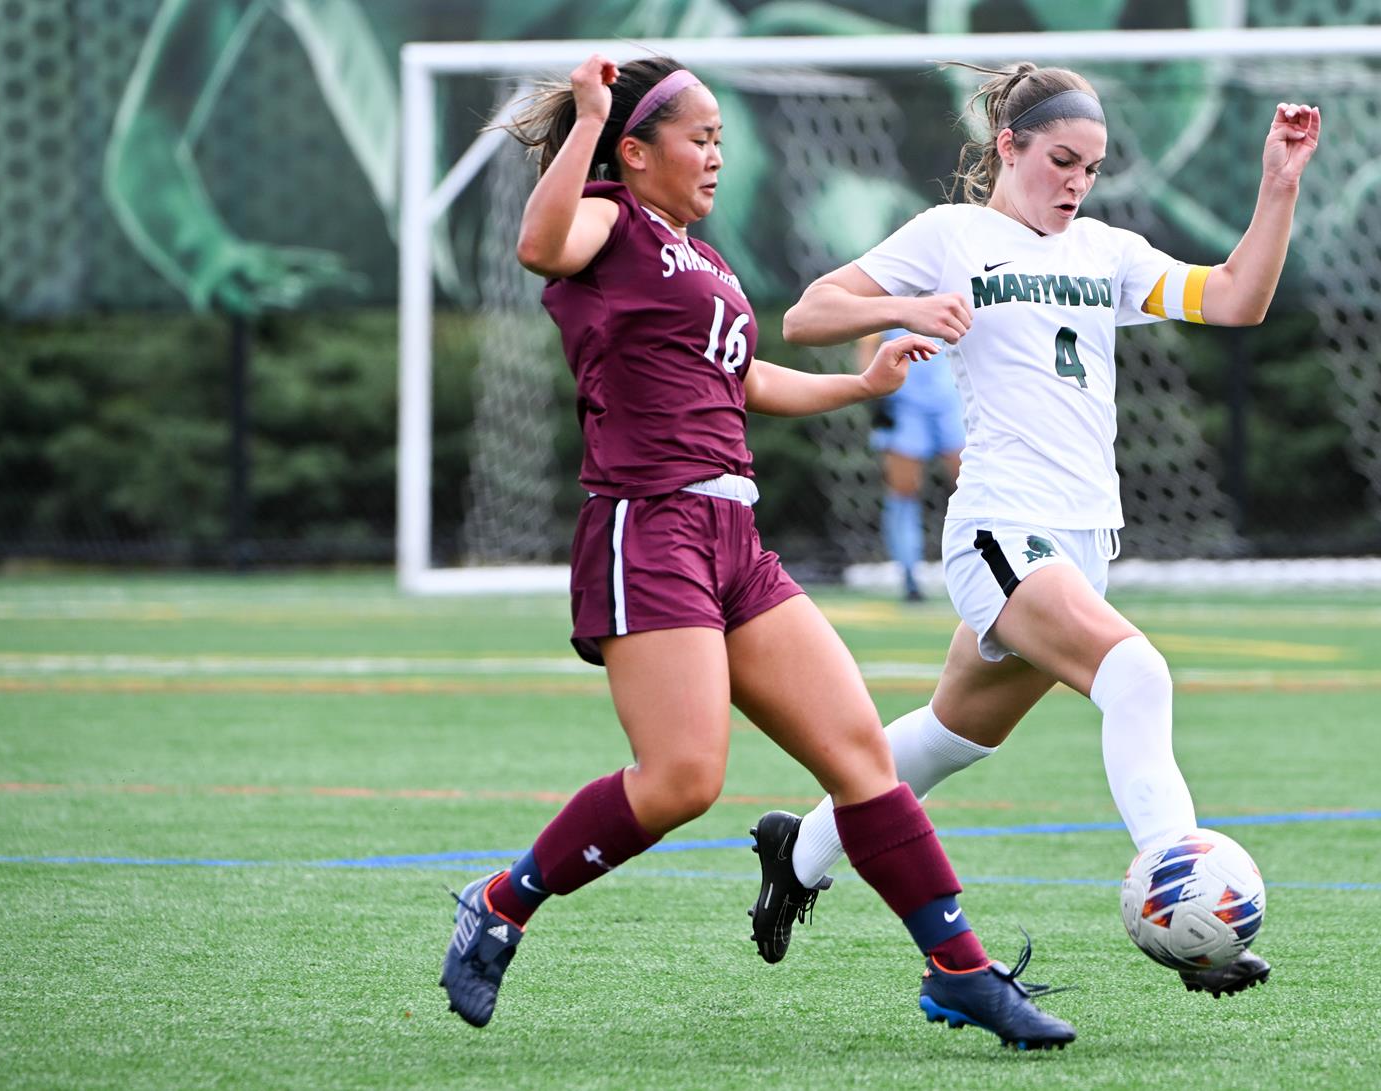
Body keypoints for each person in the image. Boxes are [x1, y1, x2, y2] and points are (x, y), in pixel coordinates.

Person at [440, 54, 1074, 1050]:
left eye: (721, 140)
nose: (714, 157)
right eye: (698, 138)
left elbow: (745, 380)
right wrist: (588, 121)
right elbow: (537, 241)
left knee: (861, 757)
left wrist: (859, 386)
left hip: (733, 536)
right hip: (645, 527)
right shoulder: (605, 218)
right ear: (634, 151)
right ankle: (500, 901)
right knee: (683, 777)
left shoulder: (701, 257)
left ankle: (961, 970)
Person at [745, 61, 1321, 996]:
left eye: (1091, 168)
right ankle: (1184, 899)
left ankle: (797, 854)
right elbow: (810, 313)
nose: (1076, 183)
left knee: (948, 736)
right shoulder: (951, 234)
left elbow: (1234, 299)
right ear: (1008, 146)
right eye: (1061, 160)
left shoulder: (1108, 250)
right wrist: (904, 305)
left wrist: (1279, 185)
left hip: (1085, 538)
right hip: (1002, 529)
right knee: (1137, 674)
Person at [857, 328, 964, 600]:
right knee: (904, 491)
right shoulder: (891, 291)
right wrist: (875, 396)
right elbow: (867, 343)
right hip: (904, 403)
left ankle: (986, 565)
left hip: (951, 397)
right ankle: (909, 577)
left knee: (969, 483)